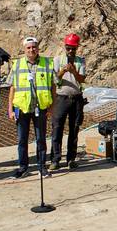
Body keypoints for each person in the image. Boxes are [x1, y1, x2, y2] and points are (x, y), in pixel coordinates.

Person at [7, 36, 55, 178]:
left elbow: (53, 86)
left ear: (37, 48)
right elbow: (12, 88)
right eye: (28, 48)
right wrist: (10, 109)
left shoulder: (47, 63)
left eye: (33, 47)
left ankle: (42, 167)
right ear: (24, 50)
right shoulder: (17, 64)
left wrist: (52, 107)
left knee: (41, 138)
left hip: (40, 107)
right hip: (22, 107)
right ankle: (23, 167)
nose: (31, 50)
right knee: (22, 139)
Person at [51, 33, 86, 171]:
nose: (70, 51)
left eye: (73, 48)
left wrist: (74, 72)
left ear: (77, 48)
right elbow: (54, 80)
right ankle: (55, 159)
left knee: (74, 129)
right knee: (57, 128)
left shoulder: (80, 61)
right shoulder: (58, 60)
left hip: (76, 98)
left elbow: (82, 79)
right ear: (65, 47)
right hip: (61, 98)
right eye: (68, 48)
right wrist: (63, 71)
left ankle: (71, 159)